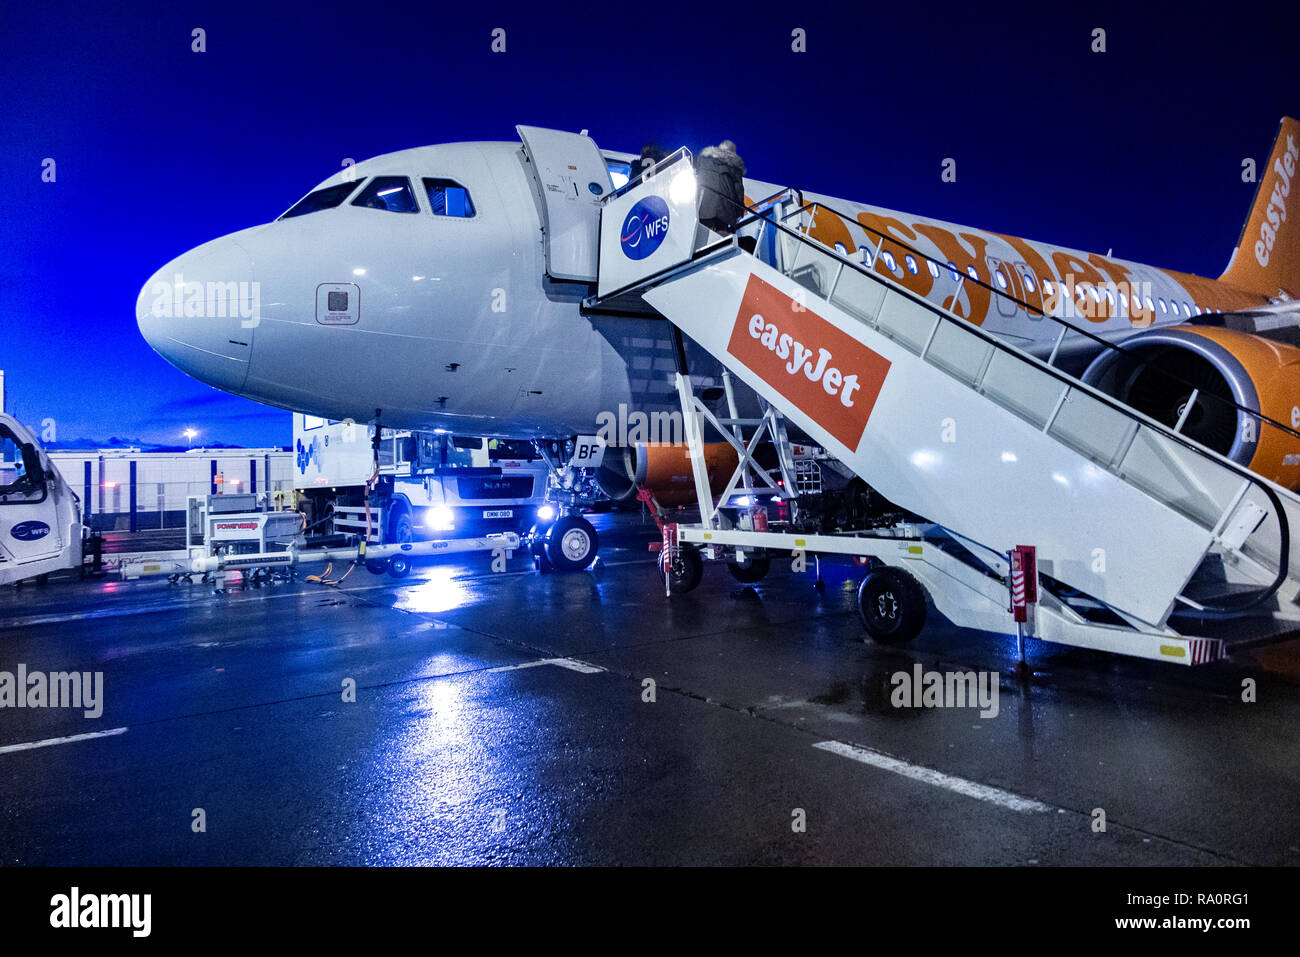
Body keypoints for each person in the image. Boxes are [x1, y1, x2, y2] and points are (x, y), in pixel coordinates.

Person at [695, 139, 747, 234]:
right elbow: (739, 191)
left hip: (704, 206)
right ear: (733, 152)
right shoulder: (734, 166)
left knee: (702, 236)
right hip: (725, 210)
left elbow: (697, 177)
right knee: (721, 239)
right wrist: (739, 212)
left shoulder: (705, 159)